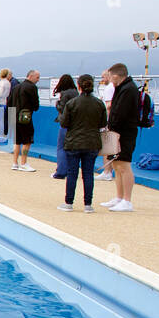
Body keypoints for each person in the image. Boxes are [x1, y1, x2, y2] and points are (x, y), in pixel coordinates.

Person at [58, 73, 105, 213]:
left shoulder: (72, 103)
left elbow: (65, 123)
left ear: (78, 86)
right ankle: (88, 204)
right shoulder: (99, 103)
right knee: (88, 173)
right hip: (92, 142)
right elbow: (103, 123)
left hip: (74, 142)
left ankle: (69, 202)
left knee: (72, 173)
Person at [105, 63, 141, 211]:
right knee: (116, 164)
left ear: (115, 75)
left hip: (124, 133)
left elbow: (121, 113)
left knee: (124, 165)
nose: (109, 79)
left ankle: (127, 200)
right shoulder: (122, 88)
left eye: (110, 76)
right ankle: (119, 197)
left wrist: (114, 128)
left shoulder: (129, 89)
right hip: (117, 131)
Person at [12, 69, 41, 171]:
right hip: (25, 117)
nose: (38, 80)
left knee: (17, 141)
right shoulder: (32, 87)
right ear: (31, 76)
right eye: (37, 77)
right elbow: (35, 104)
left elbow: (10, 102)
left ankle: (15, 162)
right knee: (27, 141)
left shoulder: (16, 87)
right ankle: (23, 162)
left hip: (14, 115)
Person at [50, 74, 78, 179]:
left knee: (61, 147)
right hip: (75, 125)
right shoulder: (76, 93)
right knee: (71, 149)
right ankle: (70, 170)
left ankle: (61, 171)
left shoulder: (64, 94)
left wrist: (57, 103)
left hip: (65, 123)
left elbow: (62, 108)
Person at [95, 69, 117, 180]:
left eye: (103, 77)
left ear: (109, 76)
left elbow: (108, 106)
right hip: (115, 121)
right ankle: (109, 171)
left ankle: (107, 171)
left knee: (106, 147)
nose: (102, 80)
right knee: (112, 147)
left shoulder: (109, 88)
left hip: (108, 122)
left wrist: (106, 123)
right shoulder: (116, 87)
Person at [0, 69, 12, 146]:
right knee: (1, 121)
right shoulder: (8, 83)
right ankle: (0, 136)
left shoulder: (1, 83)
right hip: (4, 102)